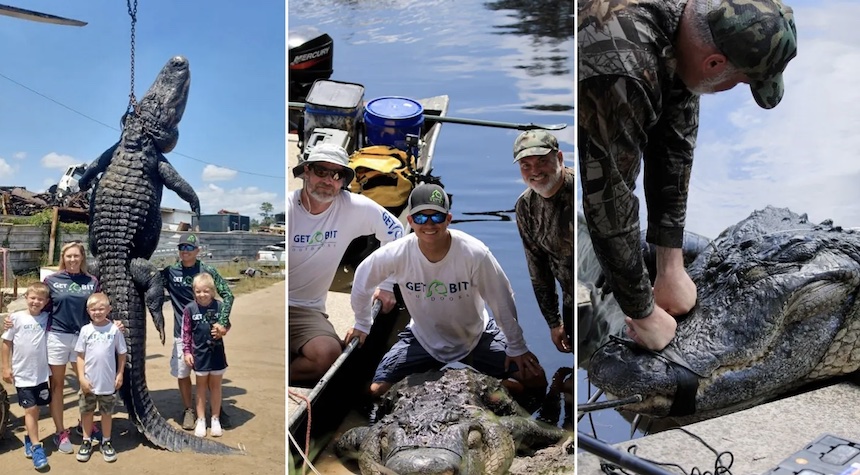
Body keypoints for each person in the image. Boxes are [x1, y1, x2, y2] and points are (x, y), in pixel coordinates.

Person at [578, 0, 797, 351]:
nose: (736, 87)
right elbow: (608, 196)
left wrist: (671, 266)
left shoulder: (692, 23)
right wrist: (643, 313)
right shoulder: (622, 69)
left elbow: (675, 146)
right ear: (714, 62)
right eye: (741, 81)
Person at [345, 184, 546, 397]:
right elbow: (362, 280)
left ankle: (482, 386)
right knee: (378, 391)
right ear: (411, 221)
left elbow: (501, 299)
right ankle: (458, 382)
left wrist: (516, 345)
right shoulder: (397, 253)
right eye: (421, 218)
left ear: (448, 219)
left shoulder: (474, 253)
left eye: (437, 217)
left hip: (476, 336)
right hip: (424, 338)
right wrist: (362, 323)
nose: (429, 224)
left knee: (536, 379)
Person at [288, 143, 403, 384]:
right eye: (321, 171)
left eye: (337, 174)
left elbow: (396, 231)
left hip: (306, 309)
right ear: (306, 171)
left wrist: (387, 284)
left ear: (343, 181)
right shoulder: (287, 207)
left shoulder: (352, 206)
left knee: (328, 355)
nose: (328, 180)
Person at [161, 233, 234, 431]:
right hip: (183, 333)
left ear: (197, 250)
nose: (185, 251)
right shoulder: (170, 272)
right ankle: (188, 410)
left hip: (208, 333)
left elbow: (227, 295)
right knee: (183, 372)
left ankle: (215, 411)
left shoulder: (207, 270)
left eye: (189, 247)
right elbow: (153, 287)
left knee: (211, 373)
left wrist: (222, 322)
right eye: (182, 247)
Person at [512, 130, 573, 354]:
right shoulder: (525, 207)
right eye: (525, 165)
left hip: (605, 294)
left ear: (559, 158)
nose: (534, 171)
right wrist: (554, 323)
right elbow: (538, 270)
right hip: (572, 301)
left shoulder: (582, 192)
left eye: (542, 162)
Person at [1, 282, 52, 470]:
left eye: (40, 299)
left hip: (41, 374)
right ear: (26, 298)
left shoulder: (47, 318)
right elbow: (6, 343)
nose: (36, 302)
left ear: (46, 302)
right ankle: (37, 447)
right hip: (22, 375)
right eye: (32, 298)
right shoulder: (15, 318)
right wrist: (5, 368)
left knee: (36, 408)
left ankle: (30, 438)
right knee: (30, 410)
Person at [74, 292, 127, 463]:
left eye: (101, 309)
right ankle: (86, 440)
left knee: (106, 413)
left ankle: (106, 441)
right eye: (93, 309)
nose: (97, 312)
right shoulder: (85, 330)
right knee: (87, 412)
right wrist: (81, 378)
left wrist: (120, 374)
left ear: (109, 309)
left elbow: (122, 354)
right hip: (89, 382)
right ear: (88, 311)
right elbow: (80, 356)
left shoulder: (114, 330)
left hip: (108, 382)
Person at [182, 273, 230, 438]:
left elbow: (227, 325)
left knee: (216, 386)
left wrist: (223, 330)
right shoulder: (189, 309)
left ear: (213, 291)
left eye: (206, 291)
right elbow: (186, 333)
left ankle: (215, 418)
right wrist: (187, 352)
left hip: (216, 352)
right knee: (201, 387)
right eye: (198, 291)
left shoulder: (221, 307)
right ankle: (201, 419)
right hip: (199, 354)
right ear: (194, 291)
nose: (202, 295)